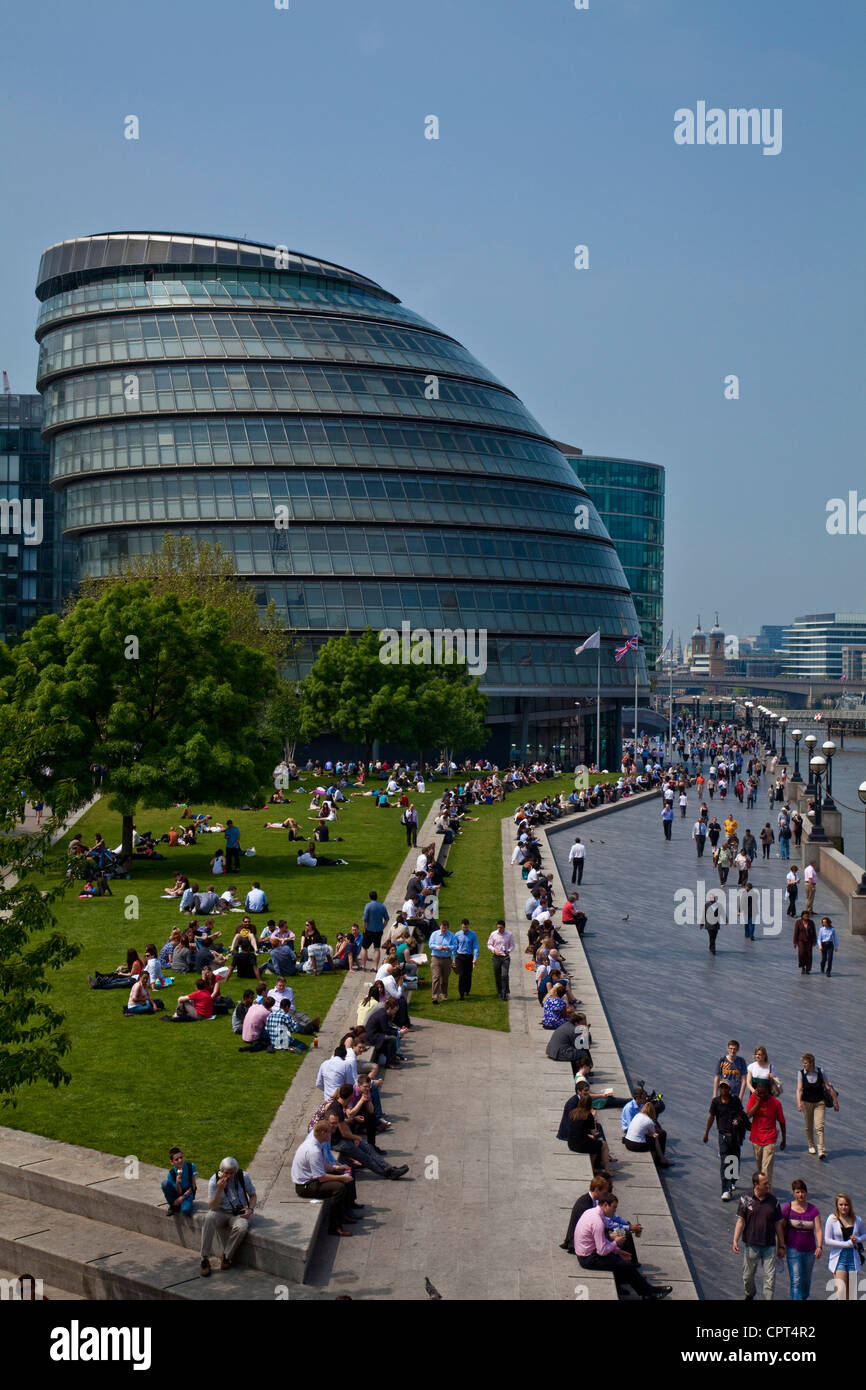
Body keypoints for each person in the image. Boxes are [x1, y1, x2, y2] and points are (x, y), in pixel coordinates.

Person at [574, 1195, 672, 1299]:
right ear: (606, 1205)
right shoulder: (597, 1222)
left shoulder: (592, 1212)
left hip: (587, 1252)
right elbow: (602, 1251)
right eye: (614, 1207)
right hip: (588, 1258)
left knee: (624, 1263)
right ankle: (649, 1293)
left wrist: (618, 1251)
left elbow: (601, 1241)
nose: (615, 1210)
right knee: (626, 1265)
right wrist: (616, 1243)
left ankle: (647, 1290)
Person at [291, 1120, 357, 1237]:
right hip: (305, 1185)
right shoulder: (313, 1150)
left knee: (347, 1175)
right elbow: (321, 1177)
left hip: (313, 1178)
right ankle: (334, 1227)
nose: (331, 1135)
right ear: (322, 1133)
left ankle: (344, 1214)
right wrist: (342, 1178)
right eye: (329, 1133)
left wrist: (338, 1168)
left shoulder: (318, 1143)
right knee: (339, 1187)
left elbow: (323, 1165)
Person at [732, 1170, 786, 1302]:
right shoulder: (746, 1200)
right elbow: (740, 1221)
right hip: (751, 1245)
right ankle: (750, 1294)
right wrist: (735, 1240)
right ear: (756, 1184)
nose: (768, 1185)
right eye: (765, 1183)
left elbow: (778, 1225)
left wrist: (781, 1245)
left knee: (769, 1278)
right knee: (747, 1276)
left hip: (769, 1246)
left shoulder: (774, 1202)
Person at [200, 1157, 256, 1276]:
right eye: (226, 1173)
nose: (229, 1176)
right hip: (220, 1211)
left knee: (243, 1226)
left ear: (236, 1171)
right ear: (221, 1171)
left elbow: (253, 1196)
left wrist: (250, 1210)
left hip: (238, 1213)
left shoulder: (243, 1177)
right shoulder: (214, 1180)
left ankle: (226, 1256)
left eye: (232, 1173)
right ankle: (204, 1258)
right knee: (209, 1217)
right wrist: (220, 1189)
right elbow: (212, 1207)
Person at [703, 1081, 747, 1200]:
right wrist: (706, 1133)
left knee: (735, 1159)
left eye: (726, 1087)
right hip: (722, 1136)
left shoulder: (735, 1101)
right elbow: (711, 1117)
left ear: (729, 1088)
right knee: (725, 1161)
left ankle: (733, 1180)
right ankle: (726, 1189)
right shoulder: (715, 1102)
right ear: (719, 1088)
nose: (723, 1090)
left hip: (735, 1135)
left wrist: (738, 1119)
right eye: (721, 1087)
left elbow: (741, 1114)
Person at [781, 1180, 822, 1301]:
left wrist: (819, 1246)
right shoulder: (787, 1208)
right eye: (797, 1192)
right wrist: (781, 1245)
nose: (800, 1195)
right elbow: (781, 1227)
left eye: (802, 1192)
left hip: (809, 1250)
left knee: (806, 1279)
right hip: (793, 1248)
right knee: (796, 1279)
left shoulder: (813, 1210)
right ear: (793, 1193)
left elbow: (819, 1230)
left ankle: (804, 1297)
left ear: (806, 1193)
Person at [824, 1193, 866, 1301]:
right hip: (839, 1259)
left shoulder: (857, 1219)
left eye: (846, 1205)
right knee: (841, 1293)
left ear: (850, 1206)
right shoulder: (832, 1219)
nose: (843, 1207)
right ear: (837, 1206)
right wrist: (845, 1244)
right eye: (841, 1204)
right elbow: (827, 1240)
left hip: (853, 1258)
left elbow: (864, 1234)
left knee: (851, 1295)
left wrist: (858, 1239)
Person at [796, 1053, 838, 1159]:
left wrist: (835, 1102)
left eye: (805, 1063)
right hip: (806, 1103)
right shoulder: (801, 1073)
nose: (803, 1065)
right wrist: (799, 1103)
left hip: (820, 1102)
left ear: (811, 1063)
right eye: (803, 1063)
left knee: (819, 1126)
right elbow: (799, 1090)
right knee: (808, 1126)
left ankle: (821, 1150)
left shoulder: (820, 1071)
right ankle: (811, 1145)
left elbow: (829, 1086)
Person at [746, 1080, 786, 1187]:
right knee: (759, 1169)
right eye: (759, 1093)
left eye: (763, 1093)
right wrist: (758, 1102)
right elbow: (748, 1115)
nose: (761, 1095)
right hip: (756, 1138)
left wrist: (783, 1139)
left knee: (766, 1169)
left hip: (770, 1138)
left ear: (768, 1091)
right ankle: (760, 1190)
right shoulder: (754, 1098)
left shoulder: (776, 1103)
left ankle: (767, 1193)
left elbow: (782, 1121)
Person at [566, 1095, 613, 1178]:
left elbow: (577, 1129)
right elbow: (594, 1133)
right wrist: (594, 1118)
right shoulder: (588, 1115)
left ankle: (592, 1168)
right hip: (581, 1145)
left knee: (594, 1146)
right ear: (589, 1104)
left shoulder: (573, 1112)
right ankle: (607, 1170)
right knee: (603, 1144)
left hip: (571, 1143)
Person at [624, 1102, 672, 1168]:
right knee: (656, 1139)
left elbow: (642, 1130)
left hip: (627, 1142)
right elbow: (654, 1135)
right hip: (636, 1145)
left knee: (653, 1138)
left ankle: (660, 1158)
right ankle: (661, 1159)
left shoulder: (637, 1115)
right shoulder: (649, 1121)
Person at [162, 1146, 197, 1216]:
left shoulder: (191, 1166)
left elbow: (193, 1186)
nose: (180, 1160)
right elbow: (179, 1192)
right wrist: (177, 1182)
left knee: (185, 1211)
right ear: (172, 1162)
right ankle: (174, 1205)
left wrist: (182, 1197)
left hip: (188, 1192)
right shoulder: (171, 1174)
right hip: (177, 1192)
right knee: (165, 1184)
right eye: (176, 1159)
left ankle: (178, 1205)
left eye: (181, 1157)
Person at [428, 919, 458, 1003]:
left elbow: (455, 946)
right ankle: (435, 996)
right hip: (436, 958)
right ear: (440, 927)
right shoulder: (434, 934)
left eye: (445, 928)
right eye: (442, 928)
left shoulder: (452, 935)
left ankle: (444, 994)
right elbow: (430, 945)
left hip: (447, 959)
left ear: (447, 928)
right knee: (436, 977)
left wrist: (448, 947)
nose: (443, 930)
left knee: (445, 978)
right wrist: (438, 947)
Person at [361, 890, 388, 973]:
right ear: (377, 897)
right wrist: (382, 927)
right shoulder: (382, 906)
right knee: (377, 949)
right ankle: (375, 967)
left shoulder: (368, 906)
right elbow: (386, 919)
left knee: (364, 948)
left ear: (370, 897)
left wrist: (364, 928)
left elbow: (365, 919)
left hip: (369, 930)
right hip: (378, 931)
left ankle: (363, 965)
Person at [486, 919, 514, 1000]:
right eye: (498, 927)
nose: (499, 929)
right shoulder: (493, 934)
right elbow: (489, 944)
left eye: (501, 927)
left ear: (504, 927)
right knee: (497, 975)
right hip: (496, 957)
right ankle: (500, 991)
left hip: (505, 957)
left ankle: (504, 993)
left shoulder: (509, 934)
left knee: (504, 975)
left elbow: (512, 945)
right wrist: (494, 950)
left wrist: (509, 950)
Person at [453, 918, 479, 1000]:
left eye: (466, 927)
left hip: (469, 957)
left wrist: (475, 958)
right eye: (464, 927)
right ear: (461, 926)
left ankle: (467, 990)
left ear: (468, 926)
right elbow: (454, 947)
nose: (465, 929)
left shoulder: (473, 934)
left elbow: (476, 947)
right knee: (461, 975)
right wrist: (453, 959)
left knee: (468, 975)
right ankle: (461, 994)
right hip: (460, 957)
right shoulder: (457, 935)